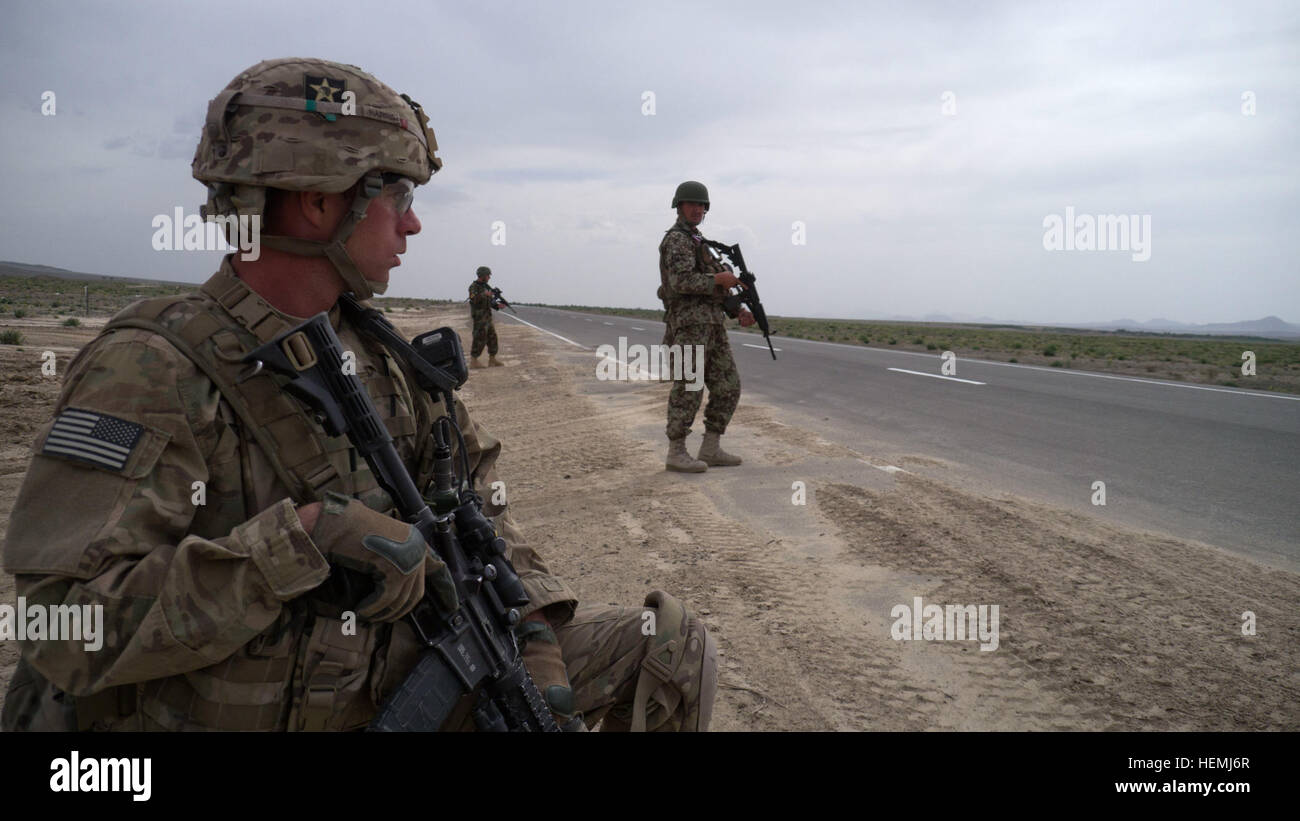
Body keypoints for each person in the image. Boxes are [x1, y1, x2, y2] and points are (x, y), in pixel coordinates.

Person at [1, 58, 715, 732]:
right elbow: (59, 624)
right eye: (398, 196)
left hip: (410, 671)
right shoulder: (153, 368)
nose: (413, 223)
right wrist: (299, 542)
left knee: (672, 644)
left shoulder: (388, 360)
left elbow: (484, 518)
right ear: (317, 201)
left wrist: (533, 630)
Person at [658, 181, 755, 473]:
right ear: (679, 206)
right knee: (689, 387)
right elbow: (680, 282)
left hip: (712, 325)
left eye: (701, 205)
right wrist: (718, 281)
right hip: (688, 327)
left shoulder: (700, 242)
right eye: (691, 204)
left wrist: (739, 310)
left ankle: (710, 448)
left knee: (728, 386)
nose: (697, 209)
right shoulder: (676, 240)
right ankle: (676, 452)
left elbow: (718, 287)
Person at [467, 266, 503, 368]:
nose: (489, 277)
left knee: (493, 337)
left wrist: (497, 306)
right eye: (488, 275)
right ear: (482, 275)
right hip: (479, 318)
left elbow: (490, 301)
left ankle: (492, 360)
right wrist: (484, 294)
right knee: (479, 338)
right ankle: (474, 361)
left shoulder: (486, 287)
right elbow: (473, 299)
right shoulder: (473, 287)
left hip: (487, 317)